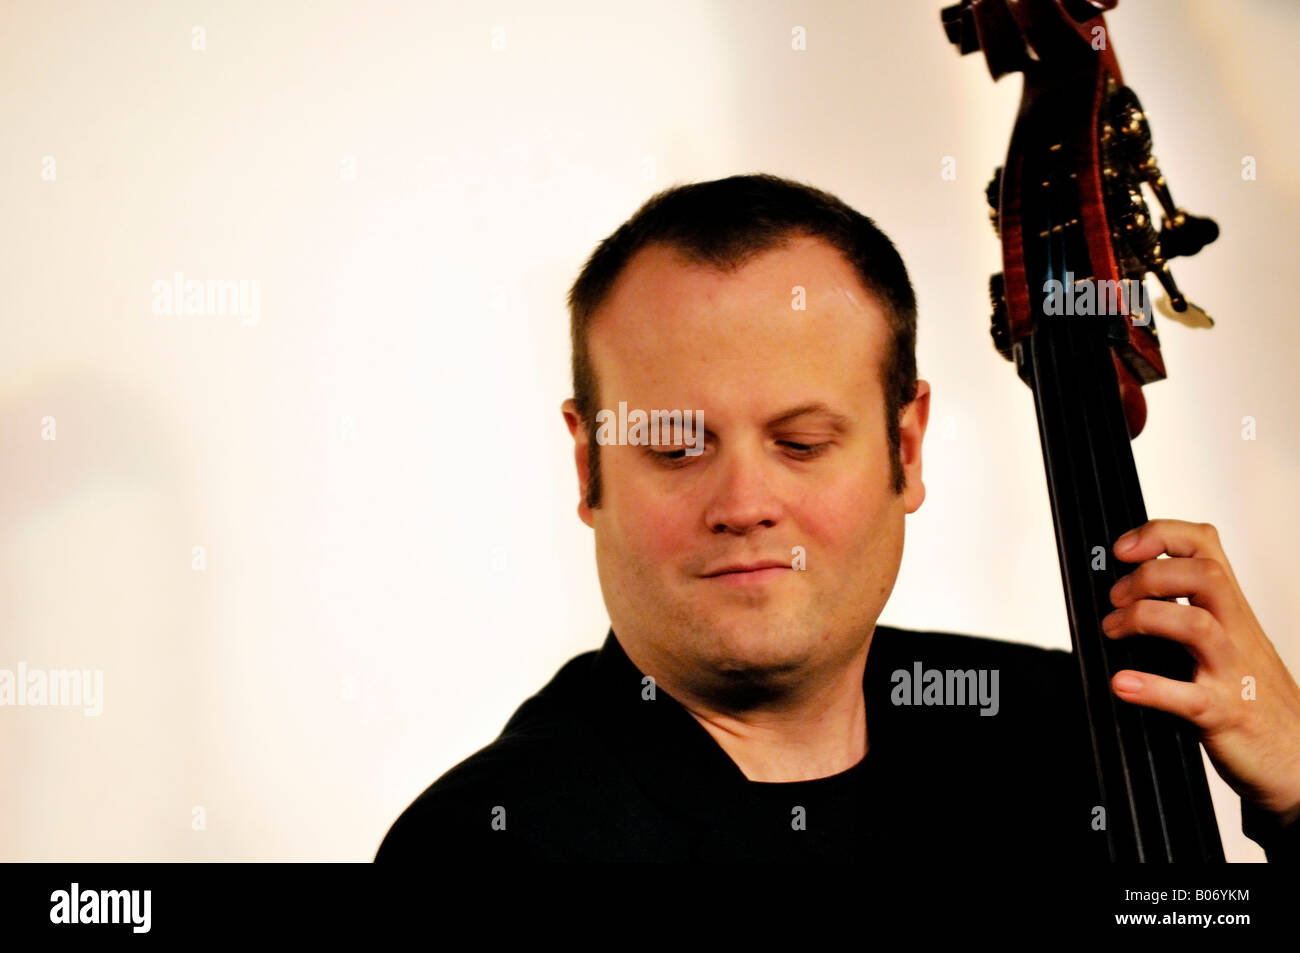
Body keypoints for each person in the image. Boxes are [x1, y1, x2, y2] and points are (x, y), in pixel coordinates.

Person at [376, 174, 1300, 862]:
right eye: (674, 447)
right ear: (589, 466)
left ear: (908, 448)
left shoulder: (1070, 731)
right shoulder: (491, 843)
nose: (742, 506)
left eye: (804, 443)